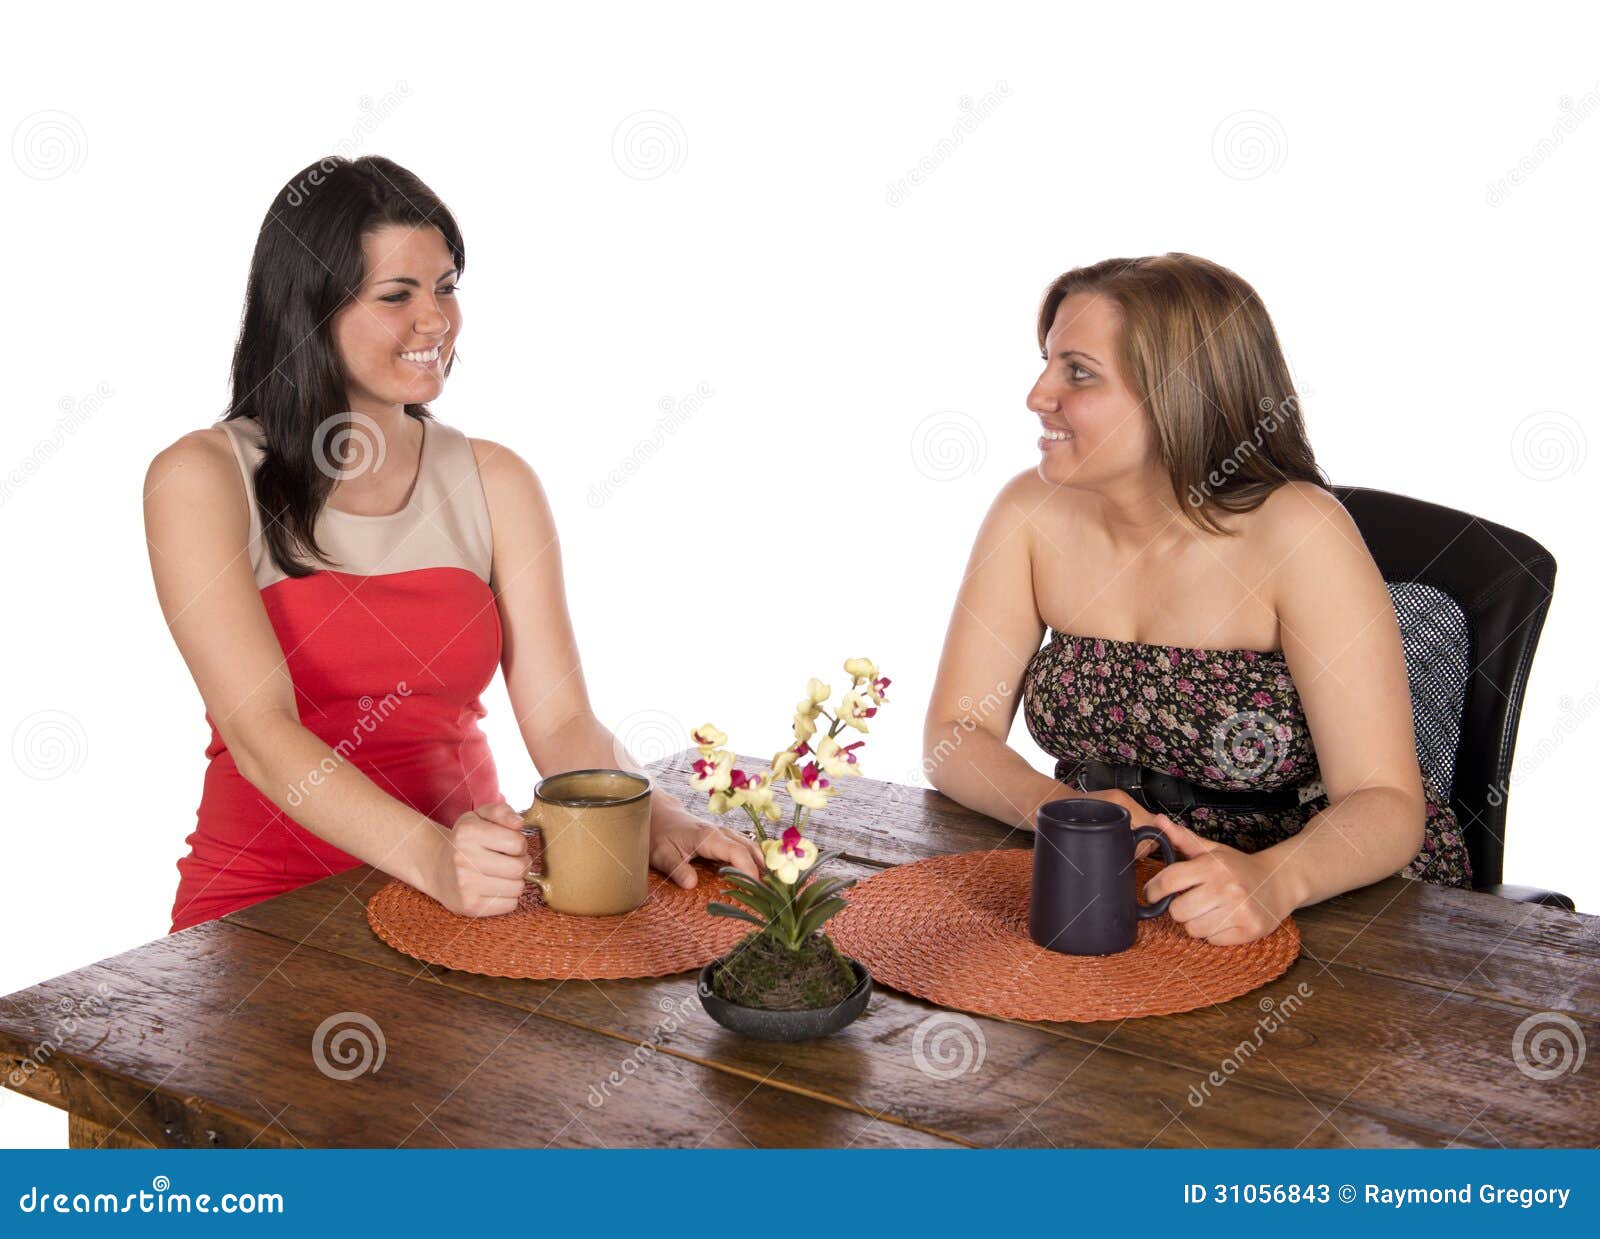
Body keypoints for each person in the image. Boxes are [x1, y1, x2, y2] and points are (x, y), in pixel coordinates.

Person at [145, 155, 761, 934]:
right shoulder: (202, 478)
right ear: (308, 309)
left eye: (445, 287)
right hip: (264, 906)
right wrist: (433, 855)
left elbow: (563, 718)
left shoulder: (495, 480)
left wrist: (654, 814)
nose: (435, 320)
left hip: (474, 897)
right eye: (397, 295)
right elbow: (261, 733)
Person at [923, 253, 1470, 946]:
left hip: (1319, 905)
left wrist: (1274, 880)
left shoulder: (1300, 531)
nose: (1038, 394)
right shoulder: (1029, 511)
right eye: (1047, 361)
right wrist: (1058, 807)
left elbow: (1388, 803)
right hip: (1111, 889)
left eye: (1078, 371)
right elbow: (952, 736)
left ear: (1178, 394)